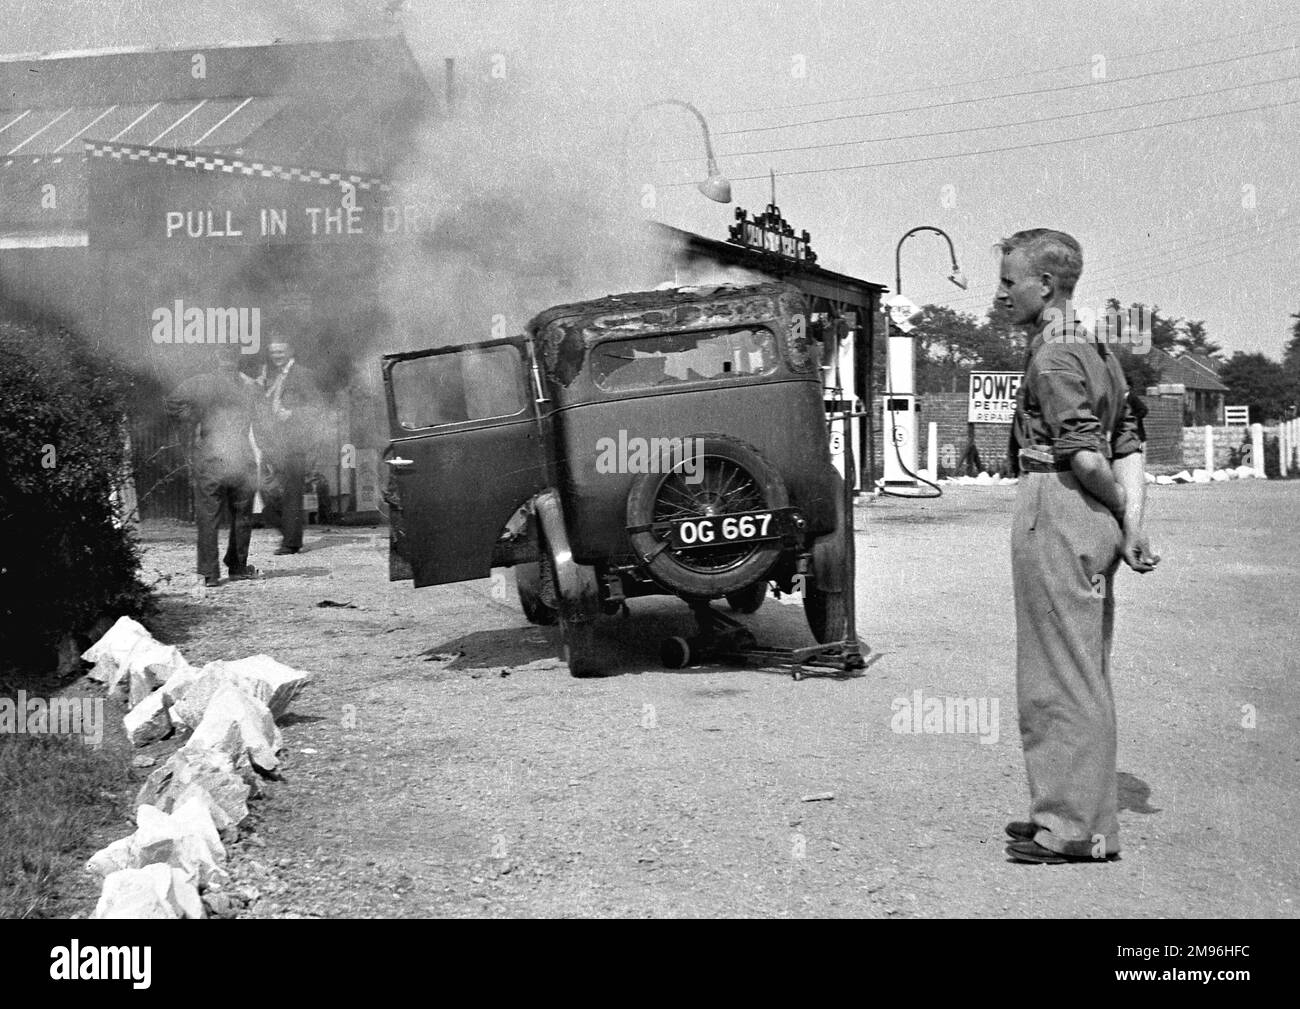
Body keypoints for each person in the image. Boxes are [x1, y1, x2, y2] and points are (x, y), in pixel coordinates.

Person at [997, 229, 1160, 865]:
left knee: (1059, 672)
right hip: (1089, 517)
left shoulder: (1053, 357)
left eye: (1011, 282)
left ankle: (1071, 829)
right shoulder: (1094, 348)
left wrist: (1119, 511)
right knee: (1079, 665)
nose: (1002, 293)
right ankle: (1066, 809)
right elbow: (1131, 447)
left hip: (1058, 504)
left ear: (1047, 286)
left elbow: (1090, 455)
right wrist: (1132, 525)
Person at [165, 345, 261, 586]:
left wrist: (192, 417)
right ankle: (238, 567)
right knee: (242, 514)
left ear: (217, 357)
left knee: (208, 516)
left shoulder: (200, 383)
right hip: (240, 456)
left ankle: (209, 573)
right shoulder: (251, 386)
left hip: (210, 456)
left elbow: (172, 403)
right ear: (238, 357)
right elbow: (265, 422)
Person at [258, 338, 323, 555]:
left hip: (295, 443)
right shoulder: (272, 375)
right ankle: (289, 532)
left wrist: (293, 414)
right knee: (265, 489)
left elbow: (317, 407)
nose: (277, 356)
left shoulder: (303, 374)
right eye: (273, 352)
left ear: (290, 351)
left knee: (292, 494)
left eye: (281, 351)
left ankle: (291, 542)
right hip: (274, 444)